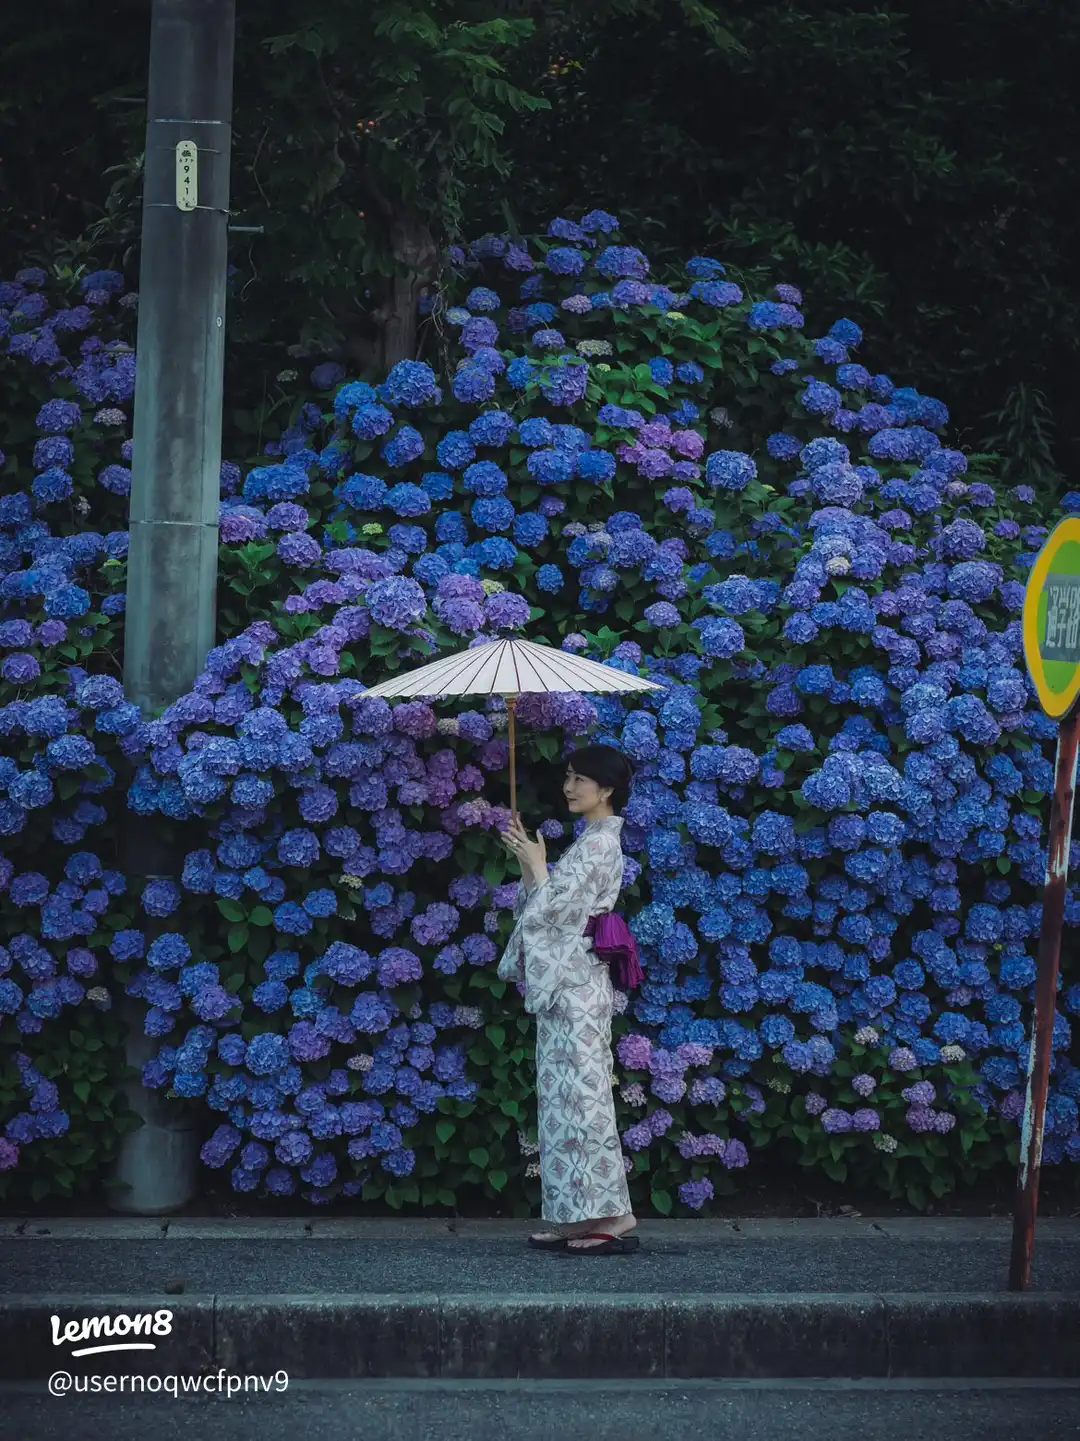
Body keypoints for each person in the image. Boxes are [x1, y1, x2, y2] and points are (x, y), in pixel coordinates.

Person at [498, 743, 639, 1255]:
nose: (569, 786)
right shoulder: (592, 841)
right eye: (568, 776)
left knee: (583, 1094)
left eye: (580, 779)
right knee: (564, 1098)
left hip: (577, 984)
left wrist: (537, 866)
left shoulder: (601, 845)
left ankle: (614, 1215)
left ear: (607, 789)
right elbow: (552, 904)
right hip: (572, 981)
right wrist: (530, 864)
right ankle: (580, 1214)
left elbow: (554, 910)